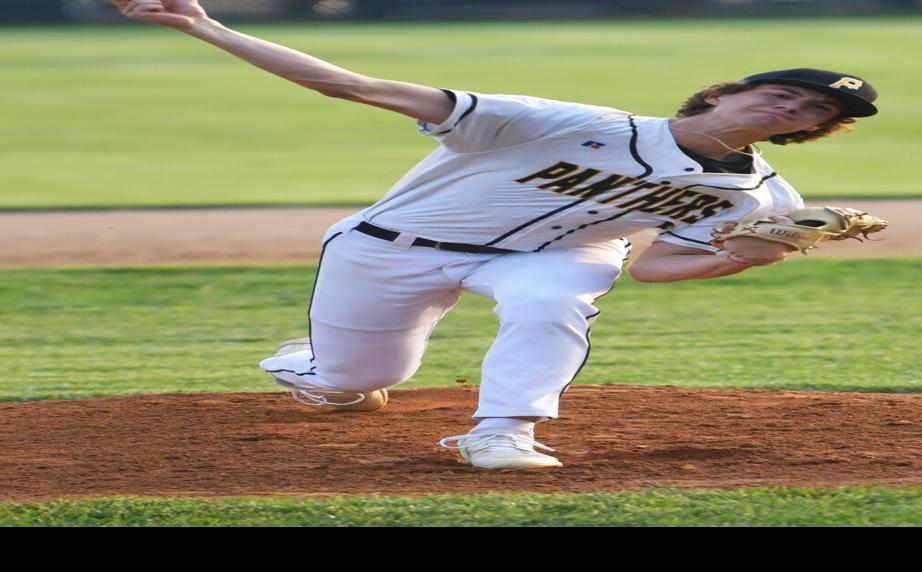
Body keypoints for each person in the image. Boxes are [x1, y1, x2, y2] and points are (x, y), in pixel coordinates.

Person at [111, 0, 879, 470]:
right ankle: (318, 369)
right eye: (780, 95)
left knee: (556, 299)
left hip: (557, 258)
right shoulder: (567, 123)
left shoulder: (761, 194)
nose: (788, 111)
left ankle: (502, 432)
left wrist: (762, 249)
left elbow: (660, 271)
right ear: (722, 94)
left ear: (813, 133)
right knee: (352, 384)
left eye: (809, 114)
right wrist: (204, 24)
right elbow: (349, 84)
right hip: (390, 247)